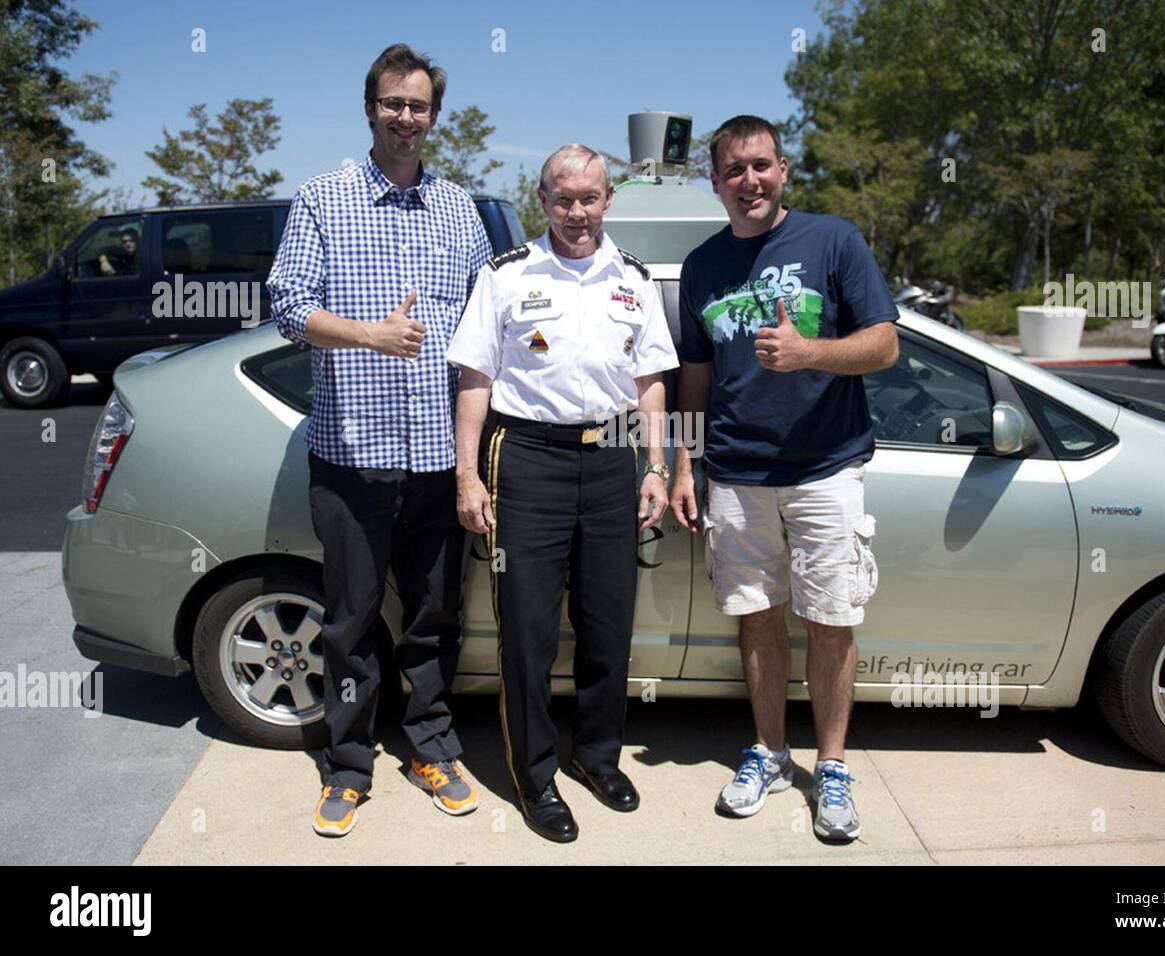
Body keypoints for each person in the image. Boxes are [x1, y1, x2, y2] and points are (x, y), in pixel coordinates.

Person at [266, 43, 492, 838]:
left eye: (418, 105)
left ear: (434, 116)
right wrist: (371, 335)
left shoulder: (459, 208)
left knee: (433, 619)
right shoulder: (325, 198)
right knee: (352, 621)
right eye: (392, 103)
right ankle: (349, 765)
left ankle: (431, 745)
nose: (405, 117)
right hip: (353, 458)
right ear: (370, 109)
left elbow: (481, 329)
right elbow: (288, 305)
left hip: (437, 459)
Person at [669, 115, 899, 842]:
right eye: (733, 170)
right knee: (758, 619)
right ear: (715, 182)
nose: (750, 181)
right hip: (735, 474)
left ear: (784, 170)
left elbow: (886, 344)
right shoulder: (703, 264)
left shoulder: (833, 241)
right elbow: (694, 380)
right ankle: (769, 752)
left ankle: (830, 768)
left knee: (831, 618)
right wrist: (684, 461)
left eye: (761, 166)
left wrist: (810, 354)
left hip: (825, 469)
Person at [446, 144, 678, 843]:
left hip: (612, 461)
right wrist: (466, 474)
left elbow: (651, 384)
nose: (576, 212)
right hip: (527, 461)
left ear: (609, 200)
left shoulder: (633, 280)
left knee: (609, 624)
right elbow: (475, 379)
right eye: (561, 198)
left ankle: (598, 758)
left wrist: (656, 468)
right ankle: (536, 775)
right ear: (541, 200)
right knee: (528, 630)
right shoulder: (506, 276)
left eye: (589, 198)